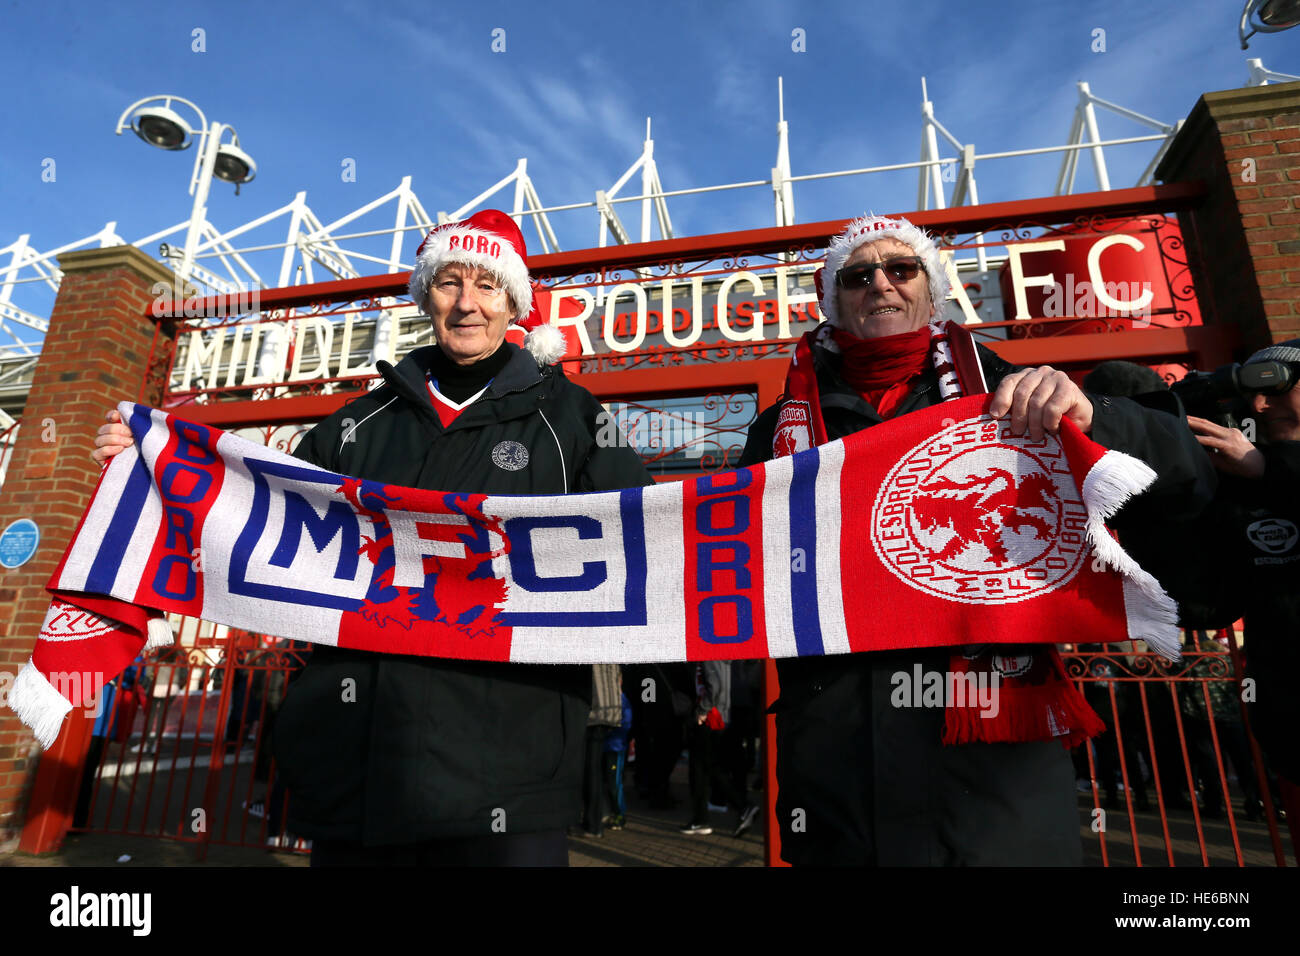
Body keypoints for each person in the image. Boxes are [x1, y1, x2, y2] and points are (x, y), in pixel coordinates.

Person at [93, 209, 654, 866]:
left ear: (513, 302)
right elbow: (254, 511)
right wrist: (153, 463)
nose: (467, 304)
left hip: (511, 768)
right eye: (449, 283)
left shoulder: (573, 418)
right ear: (426, 295)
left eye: (487, 286)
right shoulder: (358, 422)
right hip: (362, 771)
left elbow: (646, 539)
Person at [738, 214, 1216, 866]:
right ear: (835, 300)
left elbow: (1183, 485)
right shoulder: (776, 431)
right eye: (858, 275)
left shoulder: (1015, 393)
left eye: (901, 269)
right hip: (839, 774)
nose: (880, 283)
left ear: (930, 292)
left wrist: (1093, 417)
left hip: (993, 784)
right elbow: (739, 563)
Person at [1185, 339, 1300, 851]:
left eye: (1277, 385)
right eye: (1251, 388)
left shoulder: (1263, 471)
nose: (1259, 402)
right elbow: (1208, 603)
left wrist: (1269, 472)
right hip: (1289, 710)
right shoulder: (1230, 482)